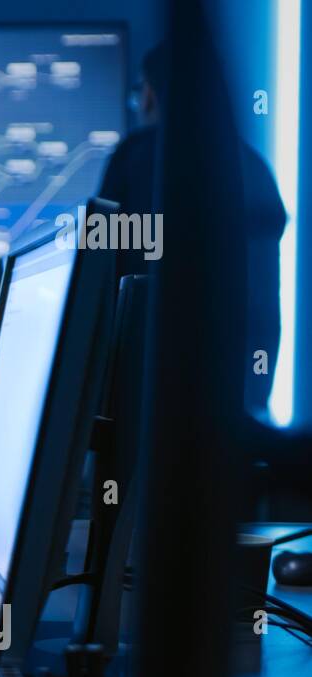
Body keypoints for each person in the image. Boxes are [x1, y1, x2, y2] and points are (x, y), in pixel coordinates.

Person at [98, 42, 286, 417]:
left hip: (140, 407)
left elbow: (97, 280)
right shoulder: (254, 167)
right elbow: (265, 311)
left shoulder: (132, 158)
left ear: (150, 94)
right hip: (235, 409)